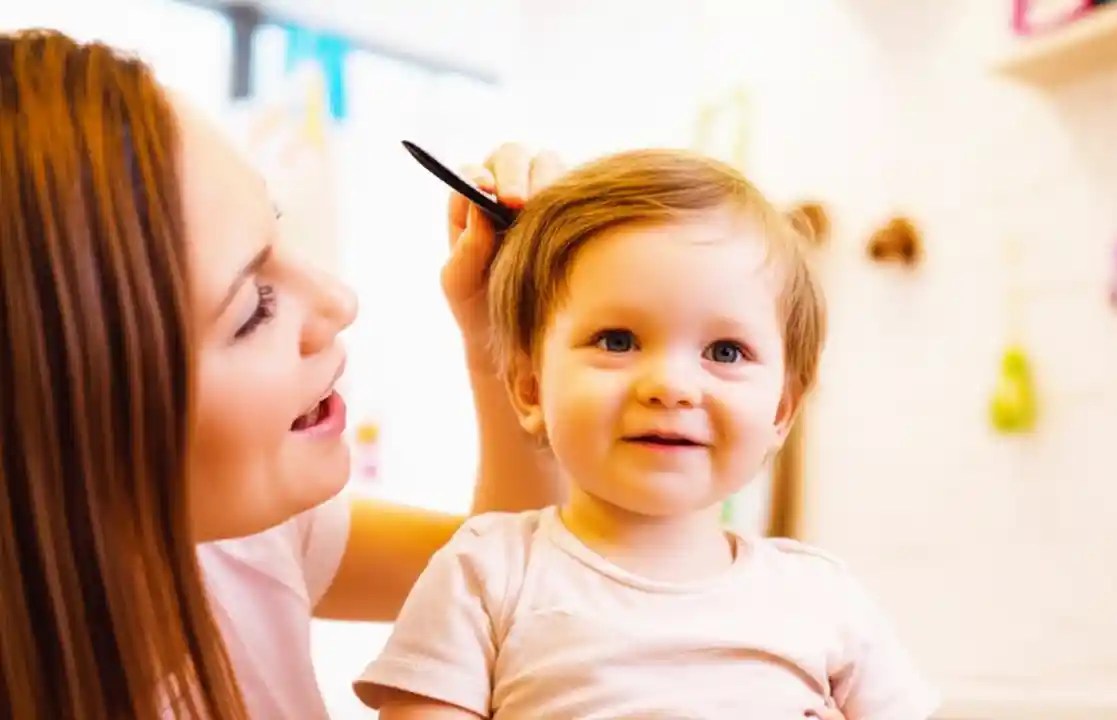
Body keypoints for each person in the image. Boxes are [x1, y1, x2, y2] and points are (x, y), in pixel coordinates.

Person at [0, 29, 562, 719]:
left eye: (278, 232)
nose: (339, 304)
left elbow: (515, 574)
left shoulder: (243, 543)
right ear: (65, 419)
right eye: (252, 308)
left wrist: (498, 336)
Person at [353, 150, 940, 719]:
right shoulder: (484, 572)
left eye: (725, 351)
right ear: (530, 387)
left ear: (782, 410)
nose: (671, 385)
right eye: (617, 340)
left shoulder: (821, 596)